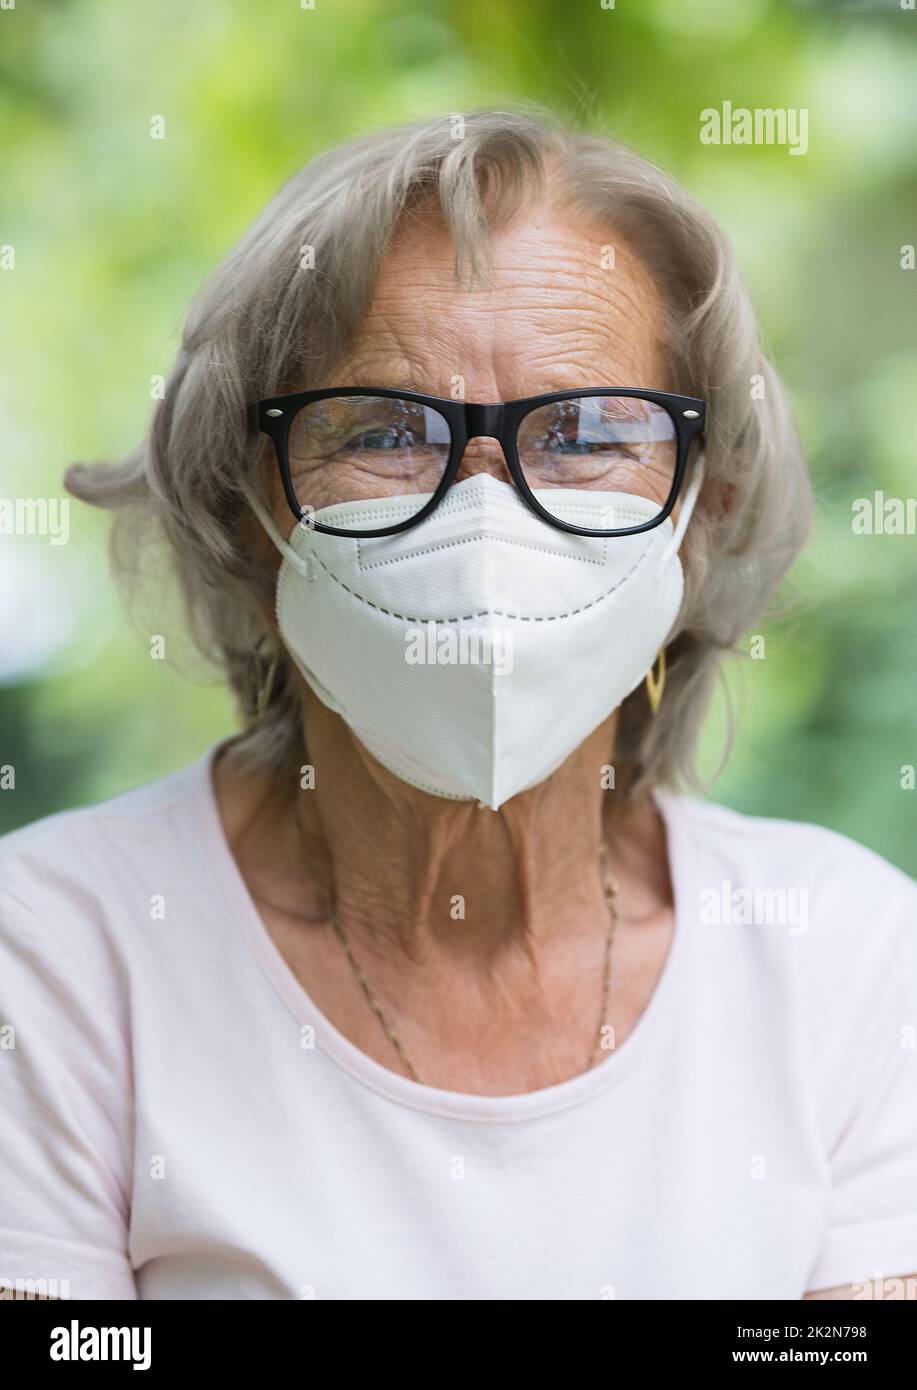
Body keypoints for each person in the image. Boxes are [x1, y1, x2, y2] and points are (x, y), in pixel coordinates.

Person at [2, 109, 915, 1301]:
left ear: (701, 514)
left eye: (584, 432)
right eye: (380, 428)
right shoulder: (58, 957)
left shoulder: (843, 958)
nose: (483, 515)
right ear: (247, 509)